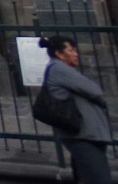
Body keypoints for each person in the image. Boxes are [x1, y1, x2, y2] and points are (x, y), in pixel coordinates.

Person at [42, 35, 113, 183]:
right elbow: (94, 90)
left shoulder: (61, 69)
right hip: (82, 136)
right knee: (100, 179)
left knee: (87, 177)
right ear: (59, 53)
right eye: (71, 50)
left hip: (86, 134)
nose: (76, 54)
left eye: (75, 50)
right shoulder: (59, 68)